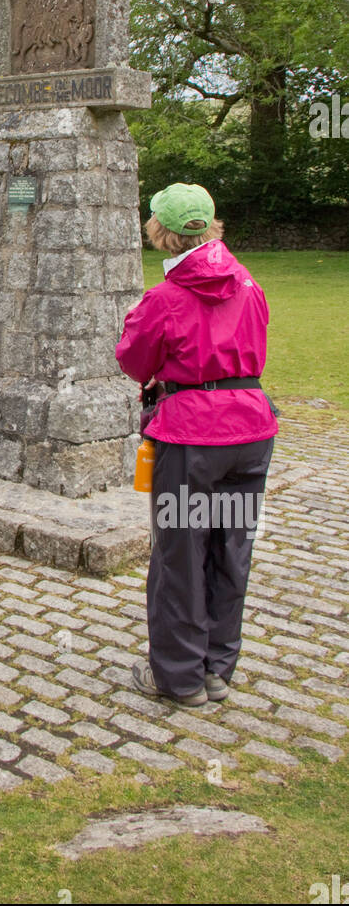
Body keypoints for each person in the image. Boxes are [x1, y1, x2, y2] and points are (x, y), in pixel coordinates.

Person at [115, 183, 278, 707]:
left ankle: (181, 678)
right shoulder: (249, 285)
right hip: (250, 430)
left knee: (181, 553)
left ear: (160, 231)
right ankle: (216, 668)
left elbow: (134, 359)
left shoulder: (165, 298)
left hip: (193, 434)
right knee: (232, 547)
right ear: (212, 226)